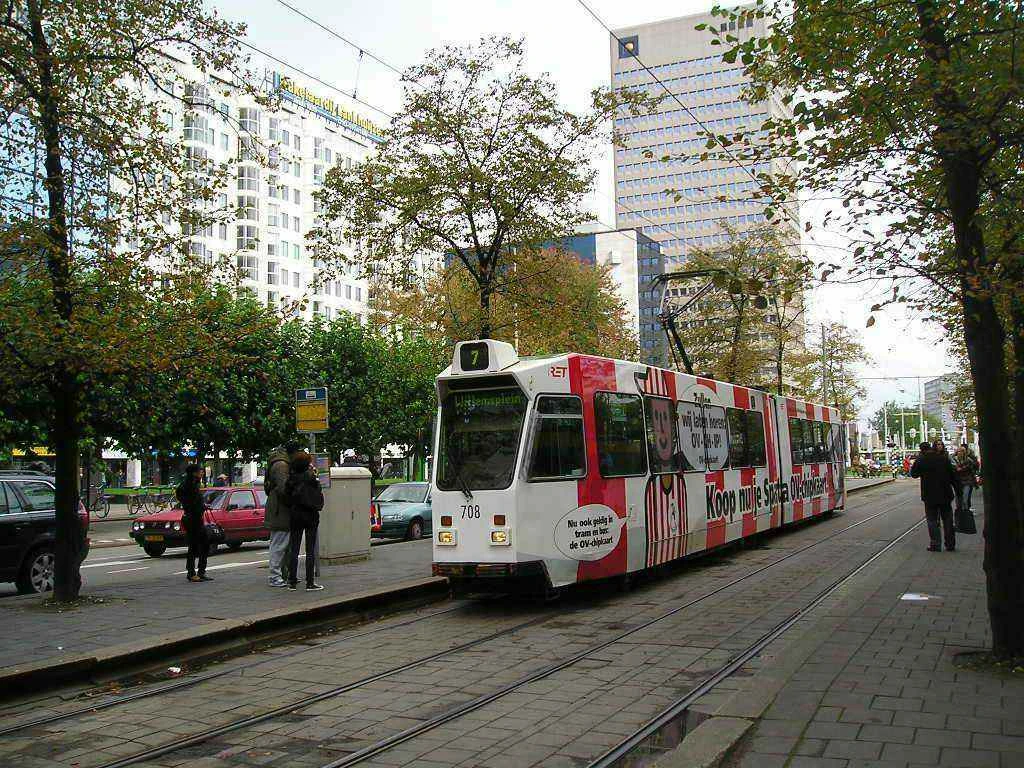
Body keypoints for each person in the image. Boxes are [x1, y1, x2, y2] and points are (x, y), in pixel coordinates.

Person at [285, 451, 325, 591]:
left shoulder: (291, 478)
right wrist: (315, 476)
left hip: (295, 514)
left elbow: (287, 496)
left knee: (294, 548)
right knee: (310, 549)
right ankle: (310, 582)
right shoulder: (311, 478)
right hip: (310, 515)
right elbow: (318, 494)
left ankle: (292, 581)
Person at [910, 441, 958, 552]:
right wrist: (957, 491)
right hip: (945, 494)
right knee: (948, 519)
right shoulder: (943, 458)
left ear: (921, 450)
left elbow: (914, 474)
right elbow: (953, 476)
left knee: (932, 520)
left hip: (929, 495)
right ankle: (950, 544)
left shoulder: (921, 460)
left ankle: (935, 544)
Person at [263, 443, 298, 588]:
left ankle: (284, 575)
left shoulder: (279, 463)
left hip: (279, 509)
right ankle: (275, 577)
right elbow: (284, 489)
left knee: (283, 545)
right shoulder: (282, 465)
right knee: (279, 545)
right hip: (280, 511)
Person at [176, 464, 212, 582]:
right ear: (194, 473)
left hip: (195, 517)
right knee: (194, 546)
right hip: (192, 518)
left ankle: (201, 571)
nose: (202, 473)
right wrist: (195, 506)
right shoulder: (189, 485)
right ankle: (192, 573)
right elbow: (190, 501)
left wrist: (202, 506)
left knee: (204, 543)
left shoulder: (193, 484)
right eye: (200, 471)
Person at [953, 445, 979, 513]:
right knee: (958, 500)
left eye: (962, 451)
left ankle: (965, 513)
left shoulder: (969, 460)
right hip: (958, 482)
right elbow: (954, 469)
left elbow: (972, 468)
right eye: (959, 451)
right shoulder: (954, 459)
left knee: (965, 498)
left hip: (967, 481)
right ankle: (960, 514)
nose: (960, 453)